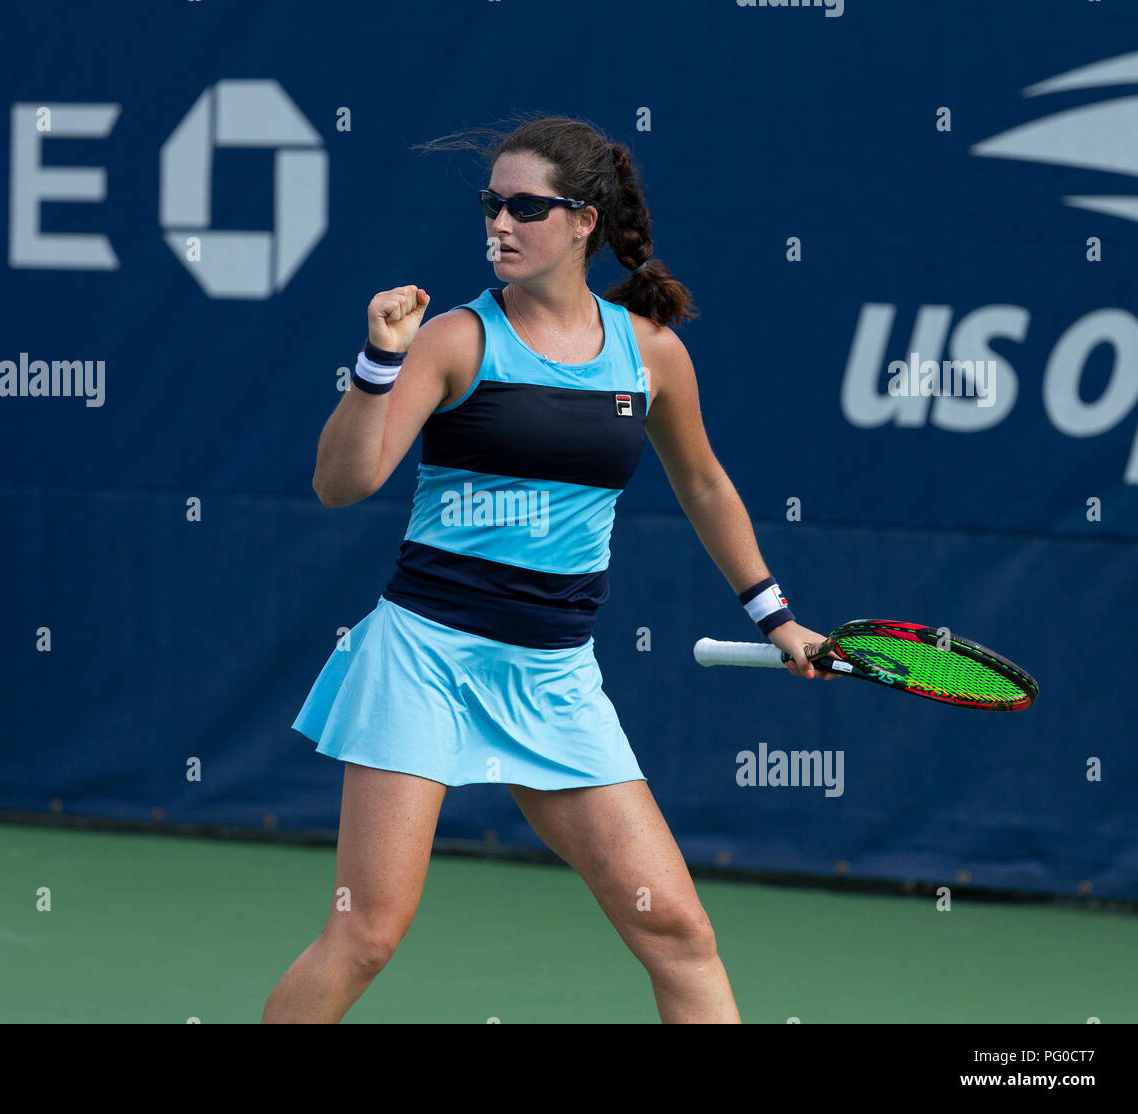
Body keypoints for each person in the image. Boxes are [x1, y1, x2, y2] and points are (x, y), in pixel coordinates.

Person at [263, 115, 834, 1024]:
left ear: (583, 222)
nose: (500, 223)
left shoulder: (648, 353)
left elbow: (705, 483)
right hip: (425, 662)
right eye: (493, 204)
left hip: (556, 677)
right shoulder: (454, 339)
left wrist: (776, 614)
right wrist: (379, 360)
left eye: (526, 207)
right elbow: (344, 483)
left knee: (678, 931)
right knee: (366, 931)